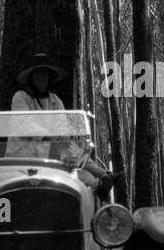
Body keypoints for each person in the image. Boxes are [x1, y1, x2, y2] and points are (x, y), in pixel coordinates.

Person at [9, 53, 120, 198]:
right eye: (37, 73)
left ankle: (100, 182)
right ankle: (103, 176)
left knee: (73, 155)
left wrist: (57, 138)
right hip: (23, 155)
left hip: (53, 154)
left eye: (44, 74)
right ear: (31, 77)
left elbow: (64, 131)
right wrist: (53, 136)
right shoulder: (20, 97)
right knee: (66, 150)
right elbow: (26, 126)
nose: (41, 77)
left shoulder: (56, 101)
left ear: (49, 78)